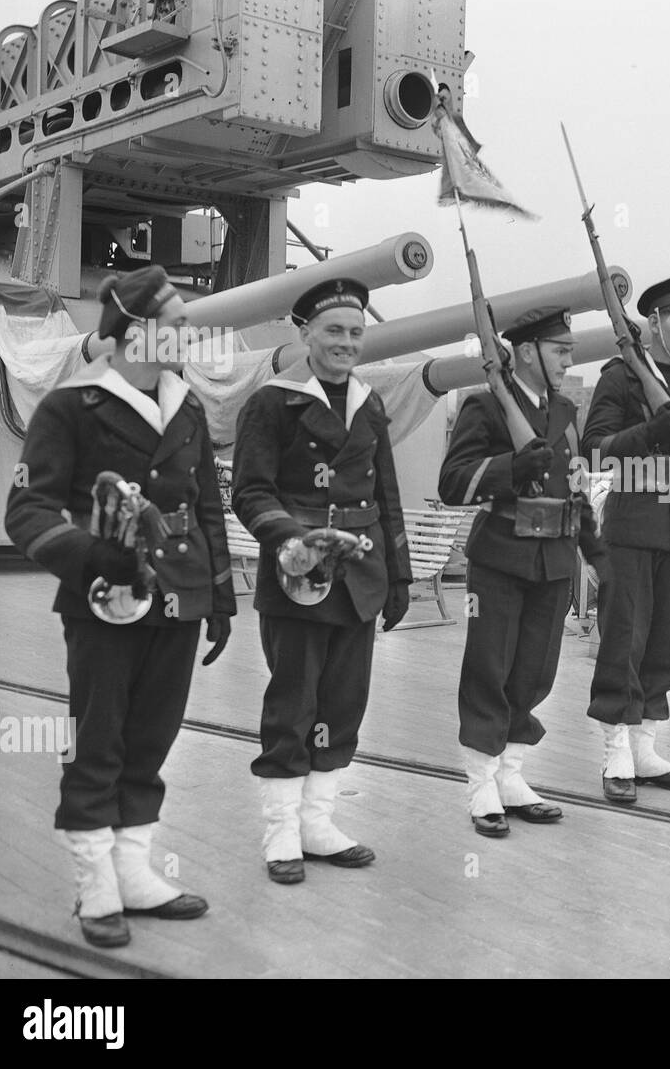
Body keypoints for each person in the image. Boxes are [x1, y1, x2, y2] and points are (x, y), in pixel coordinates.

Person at [5, 265, 234, 948]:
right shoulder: (72, 408)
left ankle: (133, 870)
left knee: (151, 740)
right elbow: (28, 510)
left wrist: (217, 593)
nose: (189, 336)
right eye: (178, 325)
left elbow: (207, 507)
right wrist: (90, 556)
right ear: (136, 330)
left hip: (176, 599)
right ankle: (94, 884)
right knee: (97, 742)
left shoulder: (187, 407)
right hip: (104, 602)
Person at [232, 278, 412, 884]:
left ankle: (318, 823)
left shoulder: (370, 404)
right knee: (293, 702)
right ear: (304, 333)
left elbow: (387, 495)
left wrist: (401, 577)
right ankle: (281, 832)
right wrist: (291, 539)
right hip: (299, 577)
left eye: (356, 333)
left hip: (360, 576)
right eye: (333, 331)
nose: (346, 343)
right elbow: (250, 491)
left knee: (342, 703)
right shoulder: (272, 403)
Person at [438, 308, 606, 836]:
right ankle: (481, 783)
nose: (568, 359)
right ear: (528, 351)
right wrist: (511, 471)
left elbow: (576, 488)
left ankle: (511, 775)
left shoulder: (565, 412)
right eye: (560, 350)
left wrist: (599, 556)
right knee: (490, 667)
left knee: (534, 672)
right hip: (502, 558)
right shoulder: (484, 406)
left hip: (554, 558)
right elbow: (453, 484)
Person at [583, 276, 670, 803]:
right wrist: (648, 435)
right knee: (625, 638)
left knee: (666, 641)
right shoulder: (620, 377)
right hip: (633, 525)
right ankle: (616, 749)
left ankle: (645, 746)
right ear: (654, 322)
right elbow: (594, 449)